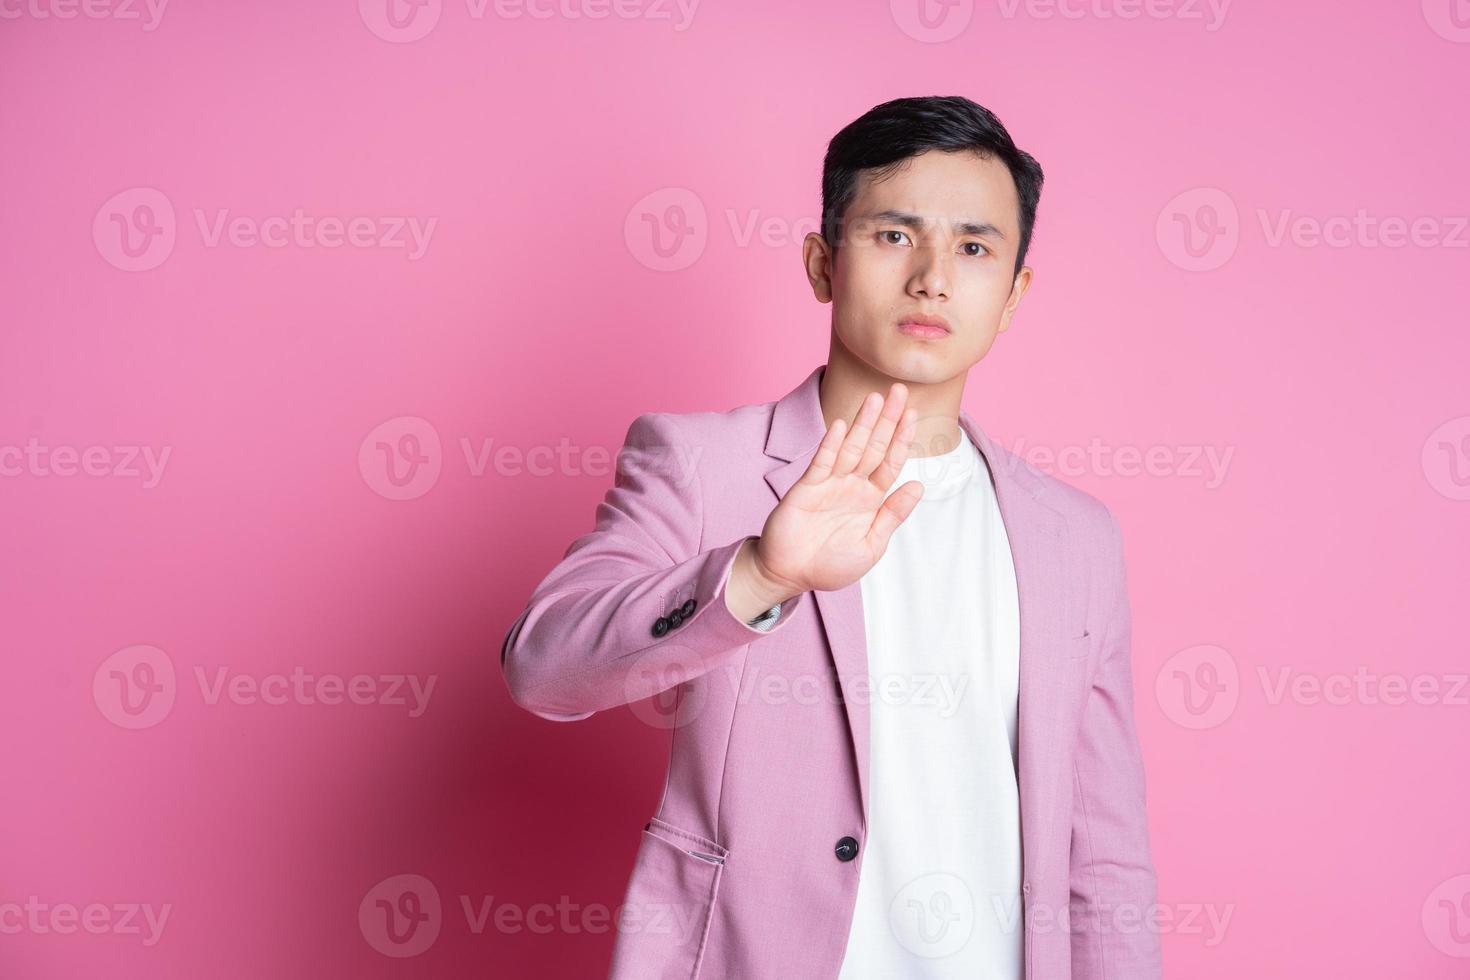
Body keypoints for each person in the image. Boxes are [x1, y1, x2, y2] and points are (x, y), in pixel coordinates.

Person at [500, 95, 1161, 979]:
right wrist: (758, 574)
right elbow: (542, 668)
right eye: (894, 235)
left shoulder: (1076, 539)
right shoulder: (703, 464)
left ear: (1013, 295)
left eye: (974, 248)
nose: (933, 276)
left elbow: (1103, 849)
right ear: (823, 263)